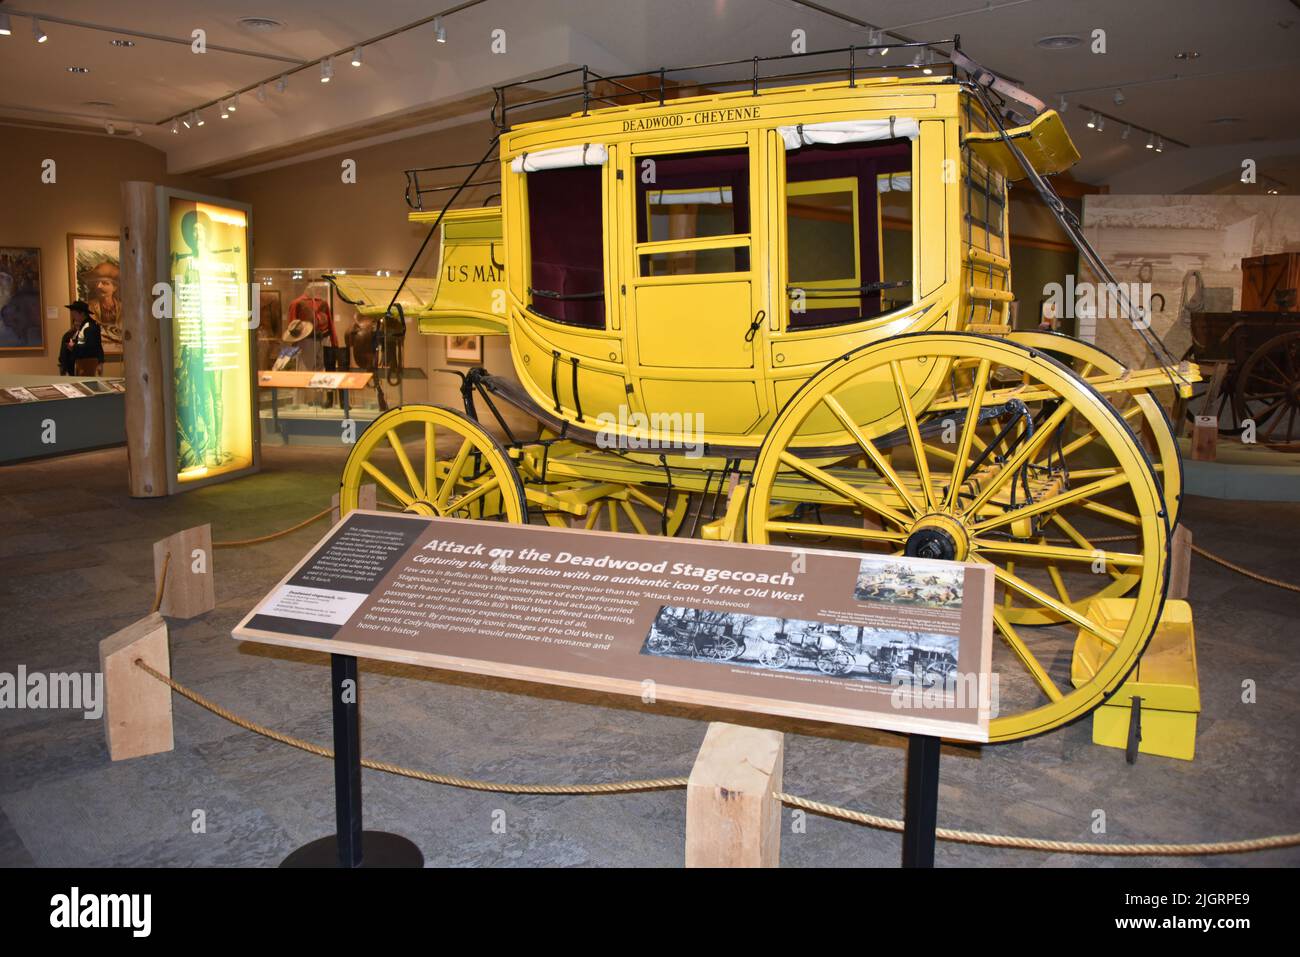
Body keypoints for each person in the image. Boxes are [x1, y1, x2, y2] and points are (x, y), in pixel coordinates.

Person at [68, 300, 104, 376]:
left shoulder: (89, 326)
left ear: (82, 313)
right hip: (83, 362)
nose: (73, 316)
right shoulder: (86, 325)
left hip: (87, 363)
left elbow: (90, 346)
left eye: (75, 314)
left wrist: (74, 346)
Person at [57, 310, 81, 376]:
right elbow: (63, 352)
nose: (77, 324)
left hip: (81, 364)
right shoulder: (67, 335)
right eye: (76, 321)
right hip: (69, 365)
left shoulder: (86, 334)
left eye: (79, 322)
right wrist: (63, 366)